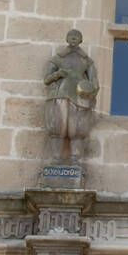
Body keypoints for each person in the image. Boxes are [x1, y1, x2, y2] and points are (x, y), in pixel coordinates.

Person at [43, 29, 98, 163]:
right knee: (58, 127)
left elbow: (94, 81)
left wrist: (90, 90)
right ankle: (56, 159)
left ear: (80, 40)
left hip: (79, 97)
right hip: (60, 94)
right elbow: (46, 79)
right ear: (67, 39)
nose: (74, 38)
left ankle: (75, 159)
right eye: (71, 36)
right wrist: (58, 74)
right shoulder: (58, 58)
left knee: (77, 130)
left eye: (77, 37)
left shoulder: (87, 61)